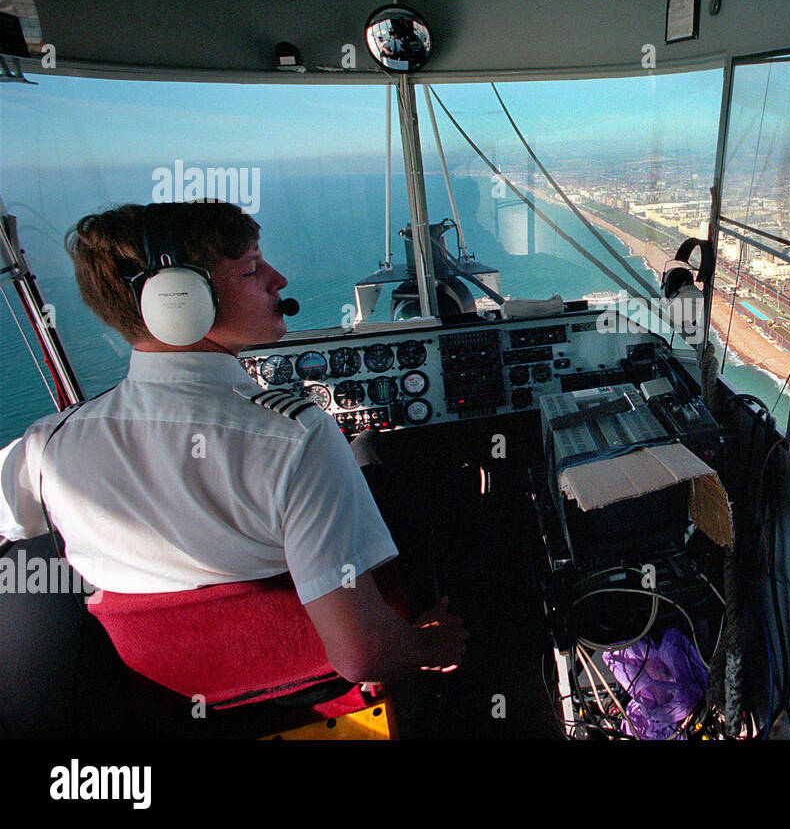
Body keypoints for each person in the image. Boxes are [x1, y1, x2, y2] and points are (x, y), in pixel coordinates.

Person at [0, 200, 466, 687]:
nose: (278, 278)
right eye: (251, 269)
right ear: (177, 299)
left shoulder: (45, 447)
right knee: (384, 461)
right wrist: (426, 644)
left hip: (167, 706)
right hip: (321, 687)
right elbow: (363, 656)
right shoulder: (297, 437)